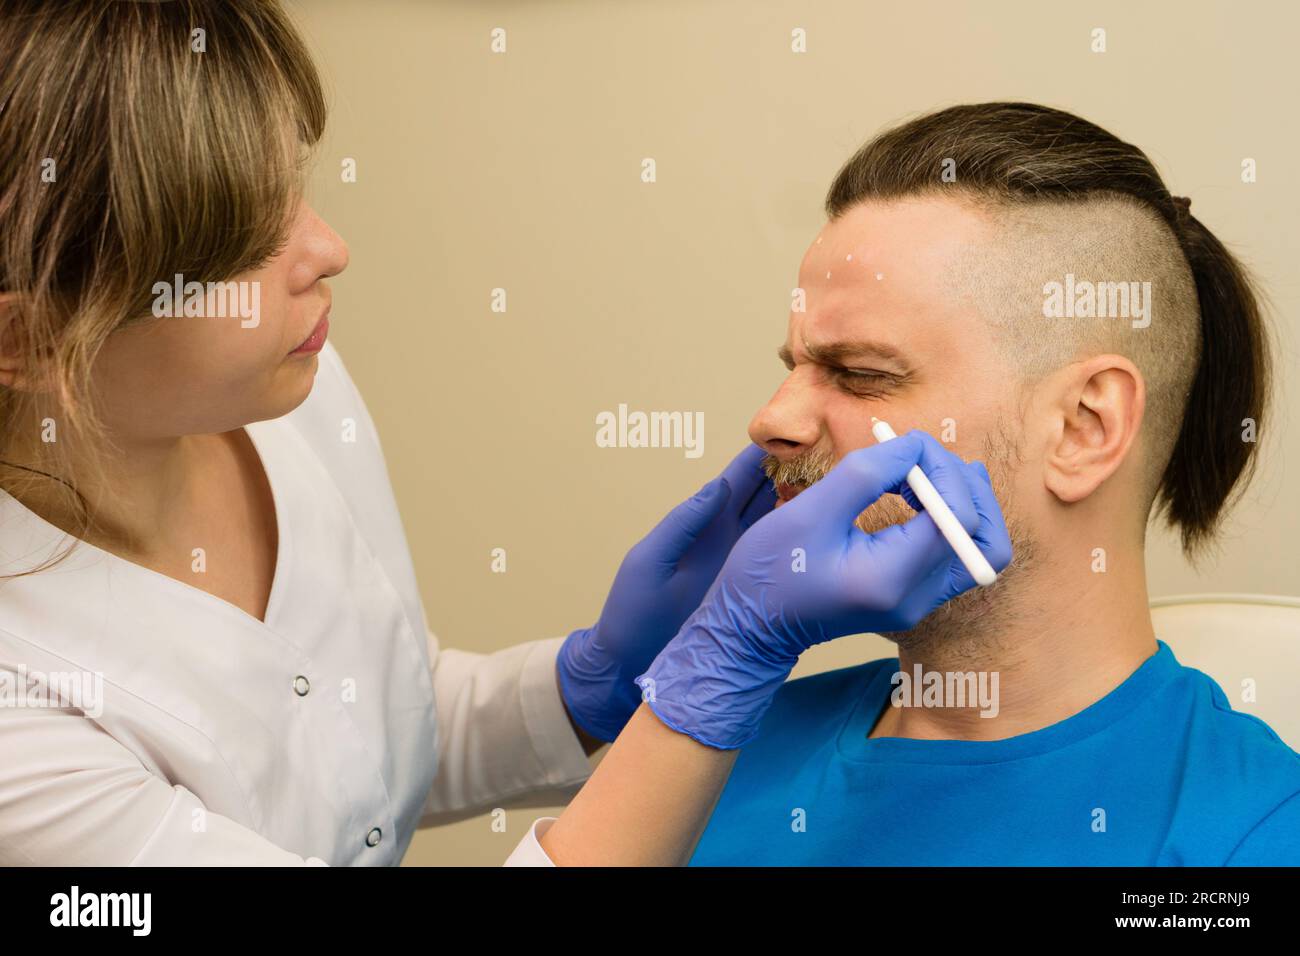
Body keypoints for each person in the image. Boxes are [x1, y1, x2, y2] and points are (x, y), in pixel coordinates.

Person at [0, 0, 1009, 866]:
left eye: (294, 187)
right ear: (25, 335)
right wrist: (717, 672)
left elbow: (356, 720)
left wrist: (589, 681)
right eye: (244, 242)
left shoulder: (288, 386)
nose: (328, 249)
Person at [674, 103, 1300, 866]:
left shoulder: (1252, 837)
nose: (773, 419)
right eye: (794, 369)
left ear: (1083, 428)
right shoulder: (708, 750)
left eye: (861, 374)